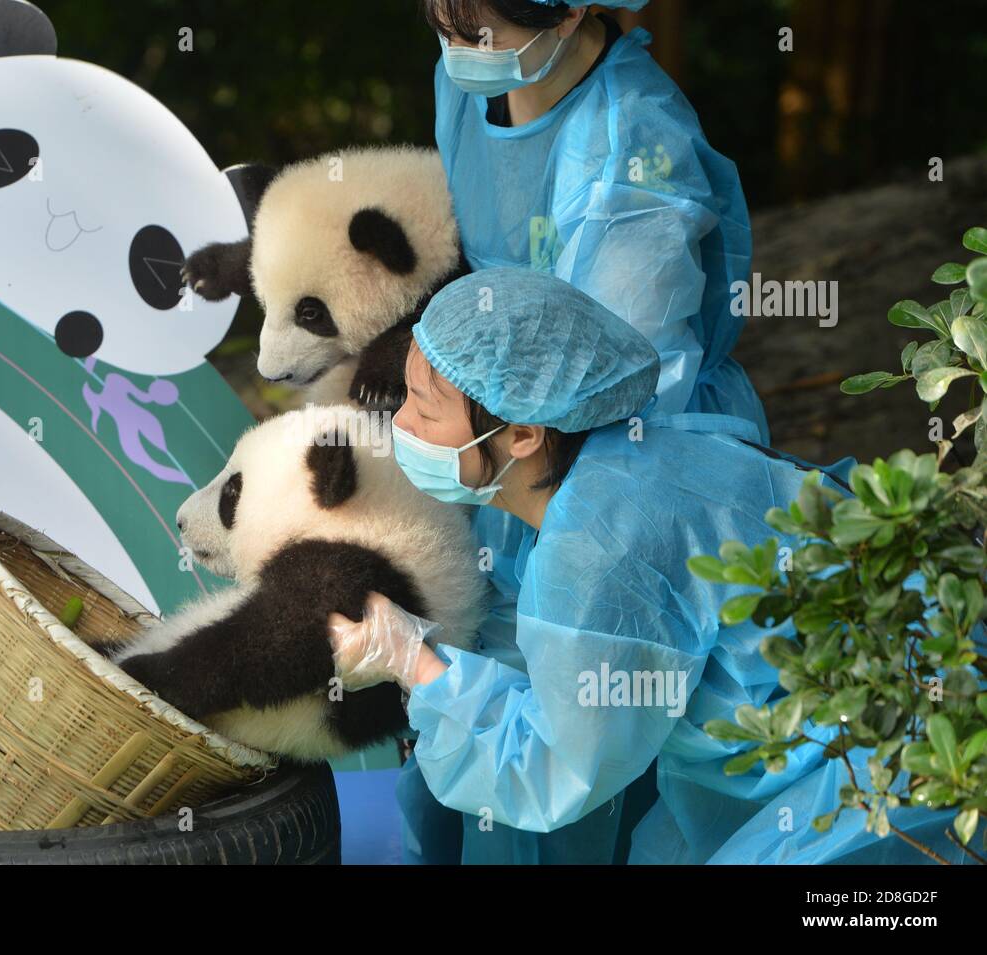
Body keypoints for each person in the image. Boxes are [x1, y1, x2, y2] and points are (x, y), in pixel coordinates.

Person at [328, 268, 968, 864]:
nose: (401, 424)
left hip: (892, 777)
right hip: (902, 695)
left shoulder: (596, 549)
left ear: (522, 434)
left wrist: (411, 661)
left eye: (422, 408)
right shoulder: (637, 450)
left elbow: (551, 769)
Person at [428, 0, 766, 437]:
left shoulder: (632, 150)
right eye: (443, 30)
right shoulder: (466, 83)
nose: (456, 54)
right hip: (496, 415)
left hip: (598, 440)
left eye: (477, 39)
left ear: (568, 13)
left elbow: (628, 379)